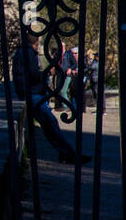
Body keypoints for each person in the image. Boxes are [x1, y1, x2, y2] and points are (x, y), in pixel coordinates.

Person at [14, 34, 90, 165]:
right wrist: (48, 72)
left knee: (49, 124)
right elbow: (32, 75)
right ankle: (68, 154)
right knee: (50, 124)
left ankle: (66, 152)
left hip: (31, 93)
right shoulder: (28, 53)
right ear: (36, 42)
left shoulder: (22, 52)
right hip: (33, 93)